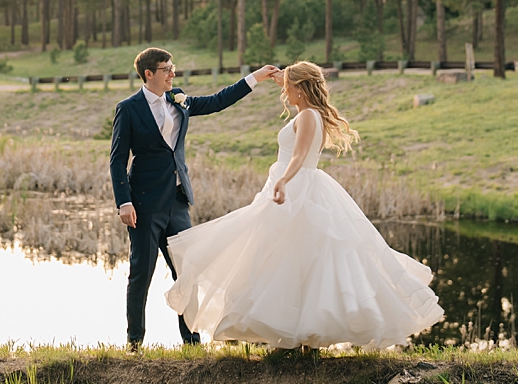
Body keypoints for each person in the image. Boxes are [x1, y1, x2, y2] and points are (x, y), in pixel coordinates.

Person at [164, 60, 444, 349]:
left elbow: (298, 156)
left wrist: (284, 181)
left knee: (300, 258)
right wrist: (283, 77)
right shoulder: (306, 111)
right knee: (282, 258)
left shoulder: (309, 116)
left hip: (297, 189)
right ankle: (294, 335)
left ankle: (302, 335)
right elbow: (296, 115)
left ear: (302, 88)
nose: (285, 92)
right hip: (293, 186)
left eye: (289, 87)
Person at [109, 47, 279, 349]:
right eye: (167, 69)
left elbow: (217, 101)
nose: (173, 73)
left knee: (188, 274)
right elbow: (117, 159)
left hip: (176, 202)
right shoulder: (129, 108)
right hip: (145, 205)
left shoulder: (179, 99)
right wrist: (124, 202)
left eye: (173, 67)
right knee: (141, 275)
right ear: (149, 74)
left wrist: (254, 78)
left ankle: (192, 343)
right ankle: (134, 343)